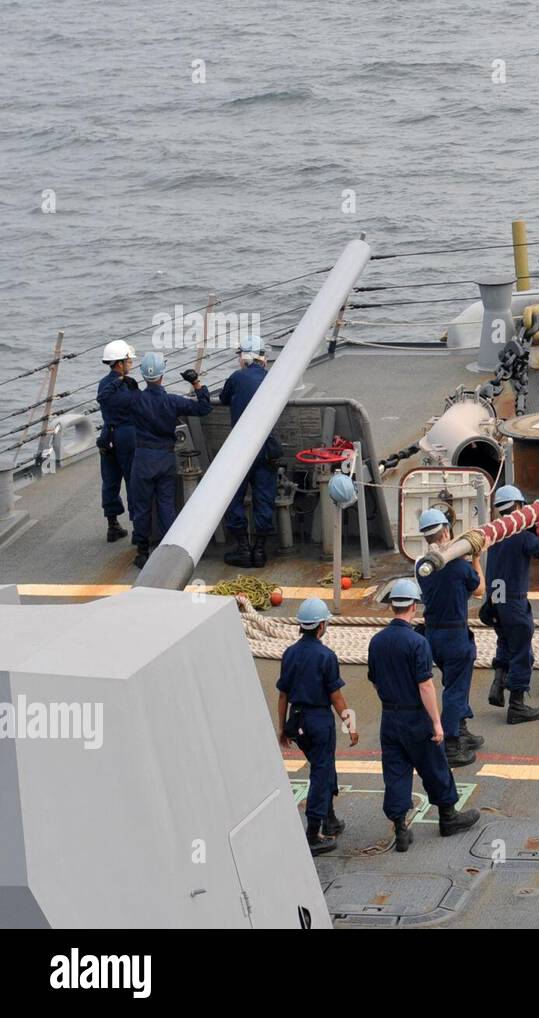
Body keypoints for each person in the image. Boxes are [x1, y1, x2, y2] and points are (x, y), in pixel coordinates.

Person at [368, 577, 480, 851]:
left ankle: (400, 829)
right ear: (414, 607)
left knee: (395, 772)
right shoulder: (417, 643)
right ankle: (448, 817)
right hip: (416, 718)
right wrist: (437, 723)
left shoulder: (377, 642)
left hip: (390, 718)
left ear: (392, 607)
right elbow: (426, 685)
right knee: (435, 766)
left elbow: (374, 679)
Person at [276, 598, 356, 856]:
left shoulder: (289, 654)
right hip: (319, 723)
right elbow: (336, 696)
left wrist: (282, 729)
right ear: (321, 626)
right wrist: (350, 724)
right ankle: (313, 833)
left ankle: (330, 819)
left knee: (323, 765)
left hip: (297, 722)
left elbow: (282, 695)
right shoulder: (326, 656)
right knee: (321, 775)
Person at [483, 484, 539, 725]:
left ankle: (498, 682)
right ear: (518, 507)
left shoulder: (495, 534)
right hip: (514, 603)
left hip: (495, 601)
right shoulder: (522, 538)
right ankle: (517, 705)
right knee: (521, 653)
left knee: (504, 642)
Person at [414, 508, 485, 768]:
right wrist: (475, 558)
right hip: (455, 635)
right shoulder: (458, 567)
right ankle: (452, 744)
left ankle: (462, 728)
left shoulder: (421, 566)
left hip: (433, 635)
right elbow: (479, 590)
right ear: (446, 531)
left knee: (456, 684)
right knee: (455, 689)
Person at [128, 352, 212, 569]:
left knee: (142, 506)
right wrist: (196, 382)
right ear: (162, 375)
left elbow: (109, 401)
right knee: (166, 504)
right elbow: (204, 408)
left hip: (143, 458)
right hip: (165, 457)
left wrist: (121, 380)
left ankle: (142, 551)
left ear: (143, 376)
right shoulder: (172, 401)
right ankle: (170, 549)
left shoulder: (135, 399)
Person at [219, 335, 280, 569]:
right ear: (263, 357)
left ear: (243, 356)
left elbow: (224, 399)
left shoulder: (236, 378)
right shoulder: (272, 378)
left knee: (233, 496)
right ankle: (260, 550)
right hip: (265, 449)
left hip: (240, 450)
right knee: (264, 496)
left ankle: (243, 548)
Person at [96, 340, 138, 544]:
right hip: (126, 436)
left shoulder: (104, 383)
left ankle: (112, 525)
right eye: (128, 360)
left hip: (107, 436)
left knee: (110, 481)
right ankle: (138, 526)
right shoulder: (125, 386)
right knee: (133, 480)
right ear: (120, 363)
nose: (131, 363)